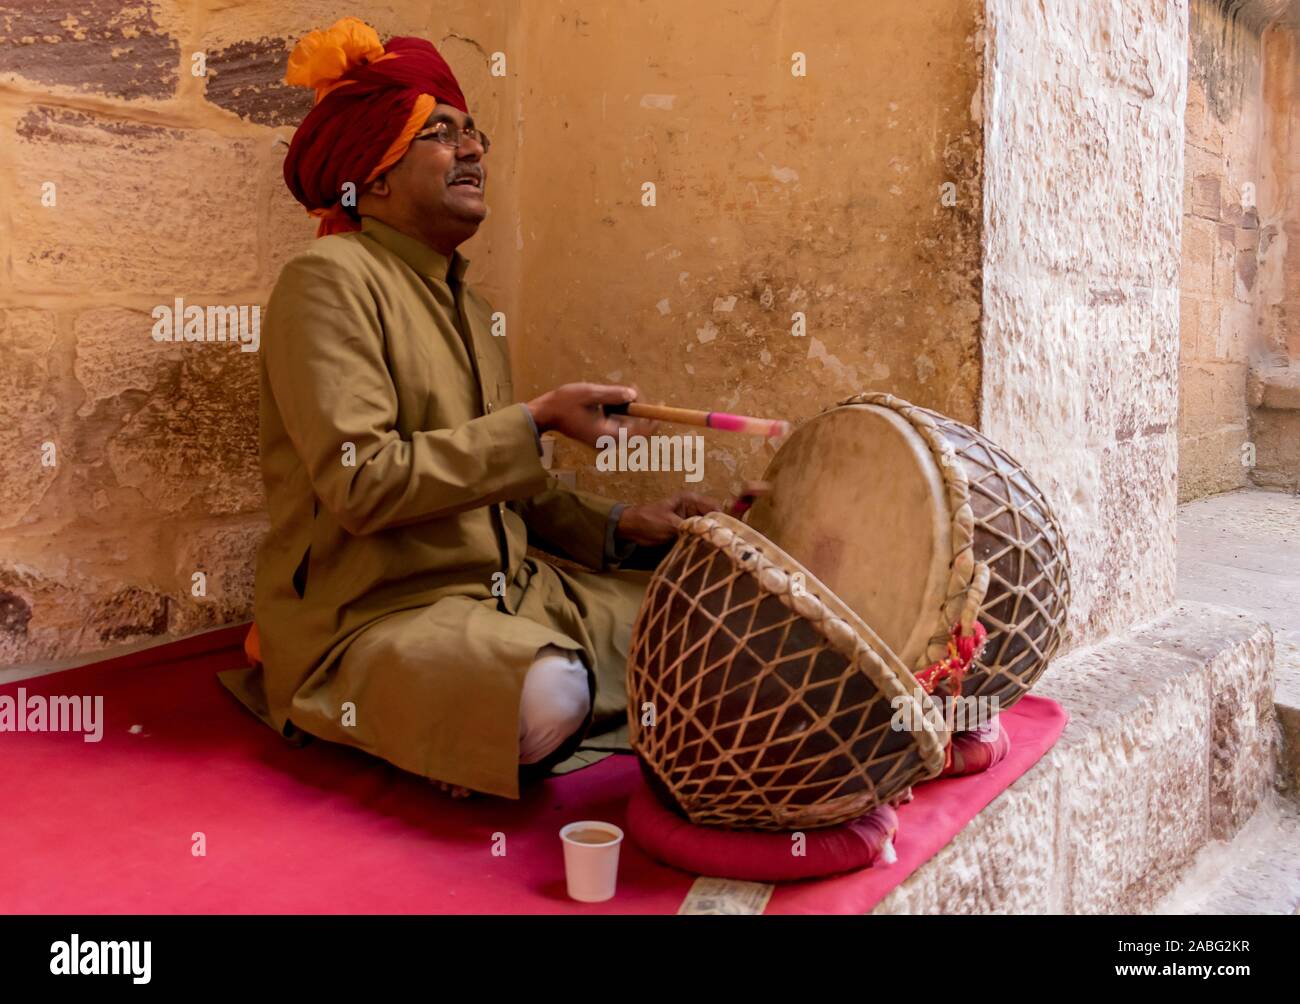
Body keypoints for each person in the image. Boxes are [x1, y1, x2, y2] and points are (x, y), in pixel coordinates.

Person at [218, 17, 719, 800]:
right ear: (374, 175)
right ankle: (445, 713)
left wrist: (626, 527)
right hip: (380, 617)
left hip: (520, 592)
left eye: (474, 133)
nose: (475, 150)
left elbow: (513, 492)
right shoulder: (326, 281)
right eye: (443, 135)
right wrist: (537, 420)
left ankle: (468, 724)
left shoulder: (473, 304)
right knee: (549, 695)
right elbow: (363, 482)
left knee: (714, 616)